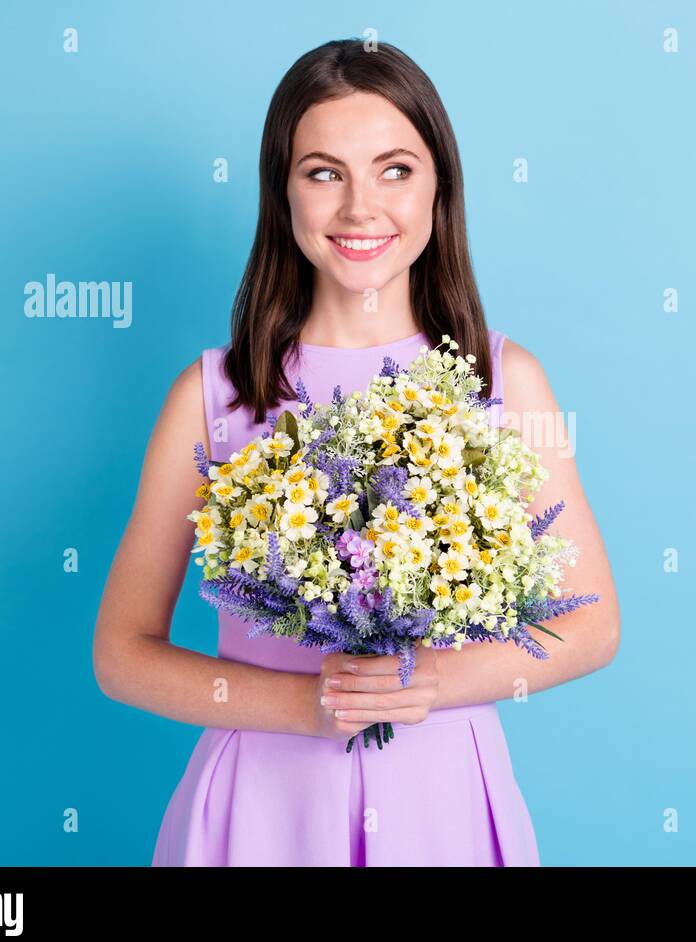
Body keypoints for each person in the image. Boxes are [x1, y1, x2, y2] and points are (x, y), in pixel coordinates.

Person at [92, 38, 620, 866]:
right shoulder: (212, 397)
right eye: (324, 173)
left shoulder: (504, 381)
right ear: (283, 192)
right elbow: (123, 655)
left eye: (395, 170)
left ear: (440, 185)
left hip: (441, 800)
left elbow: (590, 625)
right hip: (263, 807)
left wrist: (429, 681)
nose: (360, 208)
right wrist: (308, 705)